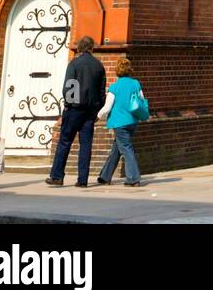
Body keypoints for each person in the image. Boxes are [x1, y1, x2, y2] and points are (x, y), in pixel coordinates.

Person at [46, 36, 106, 188]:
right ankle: (82, 180)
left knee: (65, 142)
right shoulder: (98, 66)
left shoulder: (74, 64)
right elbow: (101, 92)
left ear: (79, 47)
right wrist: (97, 109)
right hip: (90, 111)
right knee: (85, 145)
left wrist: (68, 104)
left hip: (74, 109)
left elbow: (69, 86)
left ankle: (57, 176)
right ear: (91, 47)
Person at [95, 57, 146, 187]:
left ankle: (133, 178)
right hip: (132, 121)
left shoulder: (114, 87)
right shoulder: (136, 84)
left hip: (119, 123)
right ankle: (105, 177)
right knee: (116, 149)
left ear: (117, 70)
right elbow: (141, 100)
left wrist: (98, 116)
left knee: (126, 149)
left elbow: (107, 107)